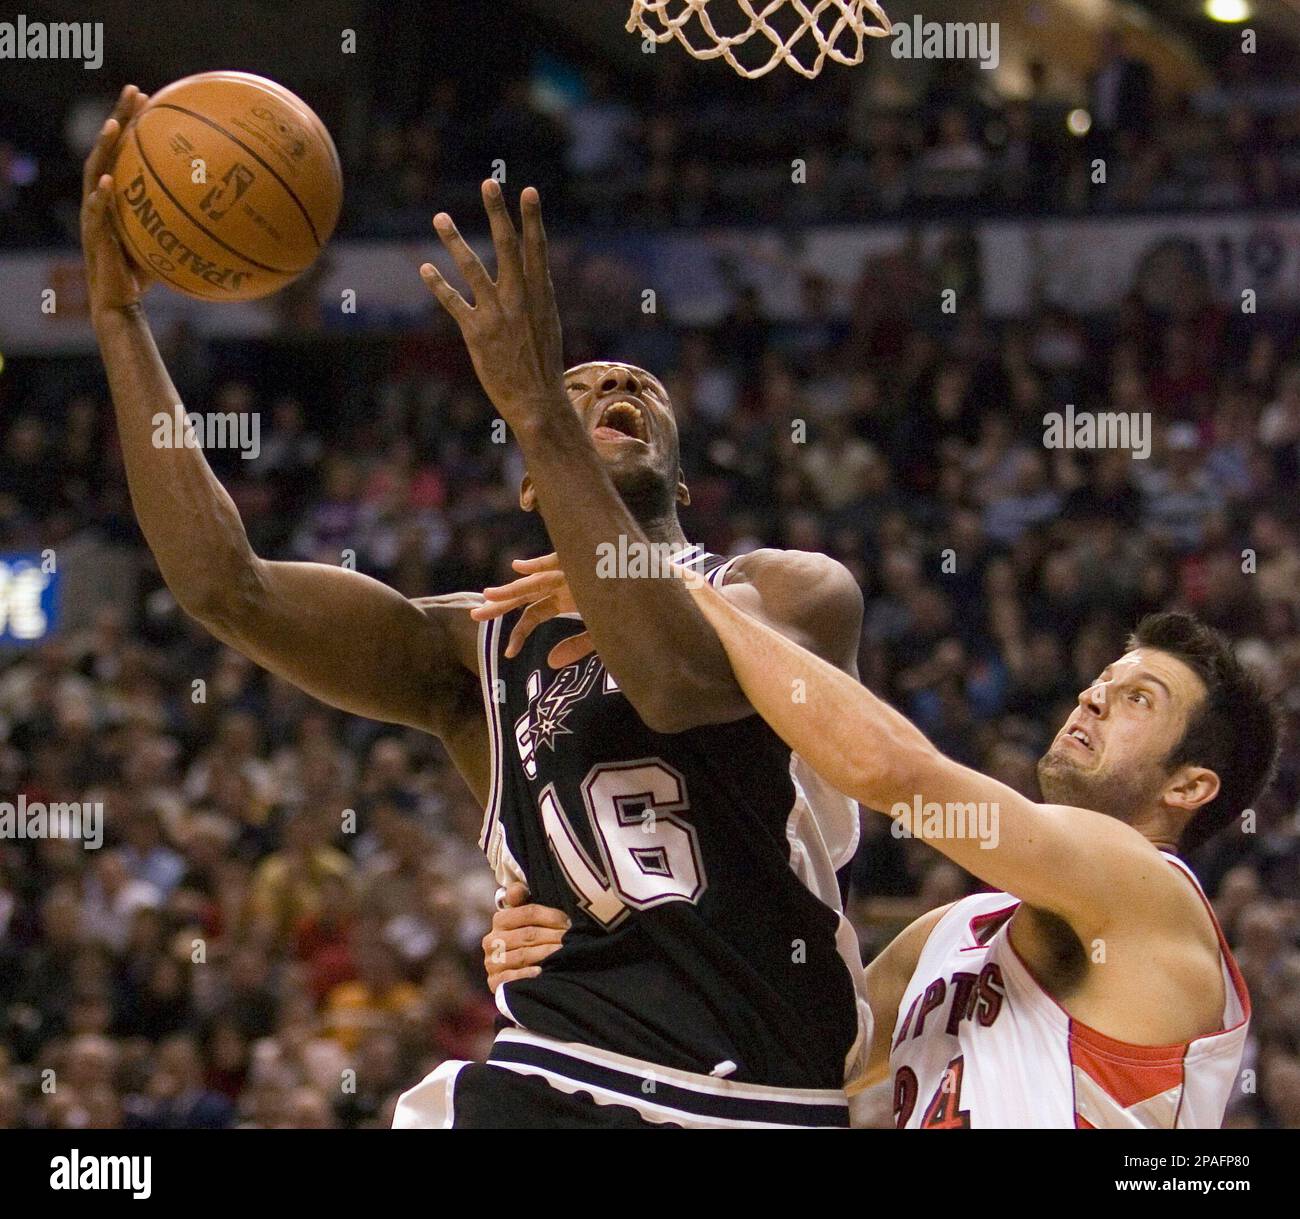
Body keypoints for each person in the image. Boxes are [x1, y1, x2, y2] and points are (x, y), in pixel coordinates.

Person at [83, 86, 870, 1129]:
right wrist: (119, 320)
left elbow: (676, 683)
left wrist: (540, 409)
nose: (613, 382)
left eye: (633, 386)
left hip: (756, 1091)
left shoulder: (783, 591)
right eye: (581, 386)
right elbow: (225, 585)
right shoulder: (478, 646)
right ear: (535, 492)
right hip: (553, 1072)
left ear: (681, 486)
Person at [482, 559, 1277, 1128]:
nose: (1094, 694)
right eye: (1103, 677)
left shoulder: (1152, 893)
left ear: (1190, 786)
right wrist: (585, 929)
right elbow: (784, 1041)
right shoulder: (950, 934)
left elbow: (893, 772)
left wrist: (688, 588)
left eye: (1138, 697)